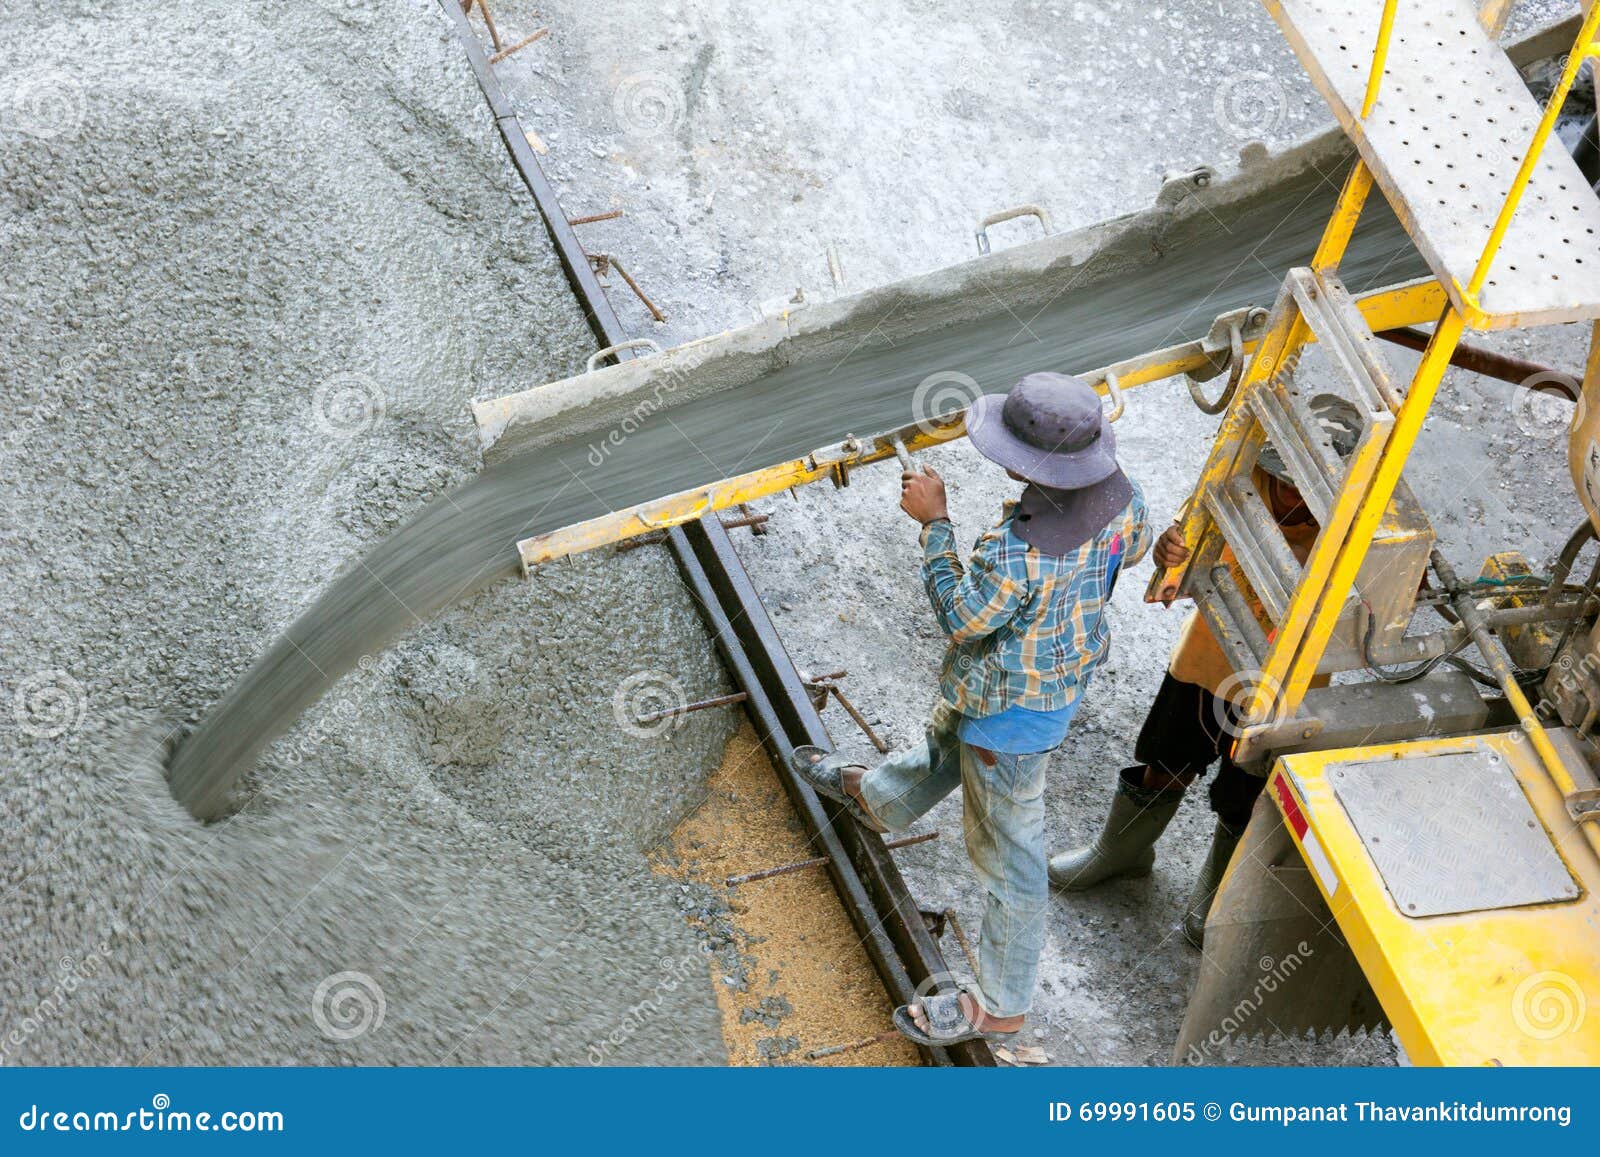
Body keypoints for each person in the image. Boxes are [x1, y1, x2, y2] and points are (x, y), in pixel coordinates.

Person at [790, 372, 1151, 1046]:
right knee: (946, 740)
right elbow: (1134, 546)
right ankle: (877, 798)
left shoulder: (1017, 549)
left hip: (1009, 722)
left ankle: (1001, 1006)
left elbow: (963, 618)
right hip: (1036, 685)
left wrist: (935, 525)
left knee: (1010, 860)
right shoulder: (1122, 496)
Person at [1047, 393, 1362, 947]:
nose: (1291, 495)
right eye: (1283, 481)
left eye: (1304, 487)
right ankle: (1122, 850)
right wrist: (1173, 549)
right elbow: (1184, 540)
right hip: (1209, 655)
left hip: (1288, 682)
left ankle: (1217, 890)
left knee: (1248, 790)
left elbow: (1381, 601)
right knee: (1166, 756)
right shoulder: (1240, 479)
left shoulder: (1356, 520)